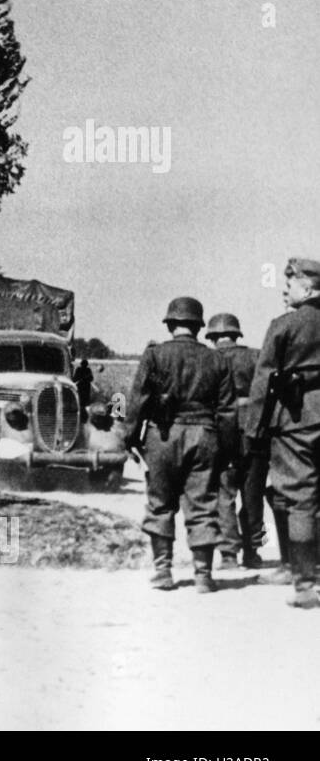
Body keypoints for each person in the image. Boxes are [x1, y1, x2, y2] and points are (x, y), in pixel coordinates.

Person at [126, 297, 235, 592]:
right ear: (199, 327)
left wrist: (131, 438)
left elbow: (137, 401)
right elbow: (227, 411)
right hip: (205, 435)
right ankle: (203, 575)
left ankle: (163, 570)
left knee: (160, 503)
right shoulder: (218, 359)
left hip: (163, 436)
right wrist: (226, 449)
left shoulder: (154, 355)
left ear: (171, 324)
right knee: (202, 505)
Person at [245, 257, 320, 608]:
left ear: (307, 289)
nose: (284, 291)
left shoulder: (284, 325)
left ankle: (305, 585)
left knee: (301, 498)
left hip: (296, 418)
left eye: (289, 285)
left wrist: (253, 429)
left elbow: (263, 382)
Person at [205, 313, 268, 570]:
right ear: (236, 333)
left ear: (211, 336)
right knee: (253, 495)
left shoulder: (209, 359)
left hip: (222, 432)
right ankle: (253, 553)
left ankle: (229, 554)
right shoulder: (257, 356)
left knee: (224, 494)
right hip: (256, 432)